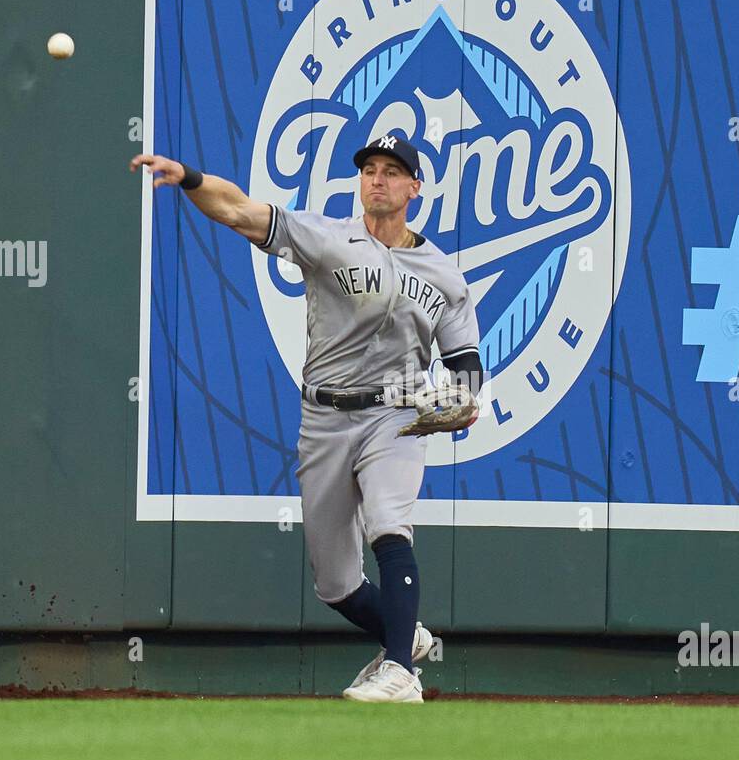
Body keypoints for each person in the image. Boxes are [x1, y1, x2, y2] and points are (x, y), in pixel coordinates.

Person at [131, 133, 483, 703]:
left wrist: (463, 399)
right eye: (369, 169)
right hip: (323, 416)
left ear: (415, 187)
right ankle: (404, 636)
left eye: (393, 171)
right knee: (336, 585)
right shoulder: (327, 238)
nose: (377, 179)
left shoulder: (443, 274)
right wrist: (190, 177)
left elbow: (465, 362)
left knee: (390, 525)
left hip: (395, 414)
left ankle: (400, 673)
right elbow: (239, 210)